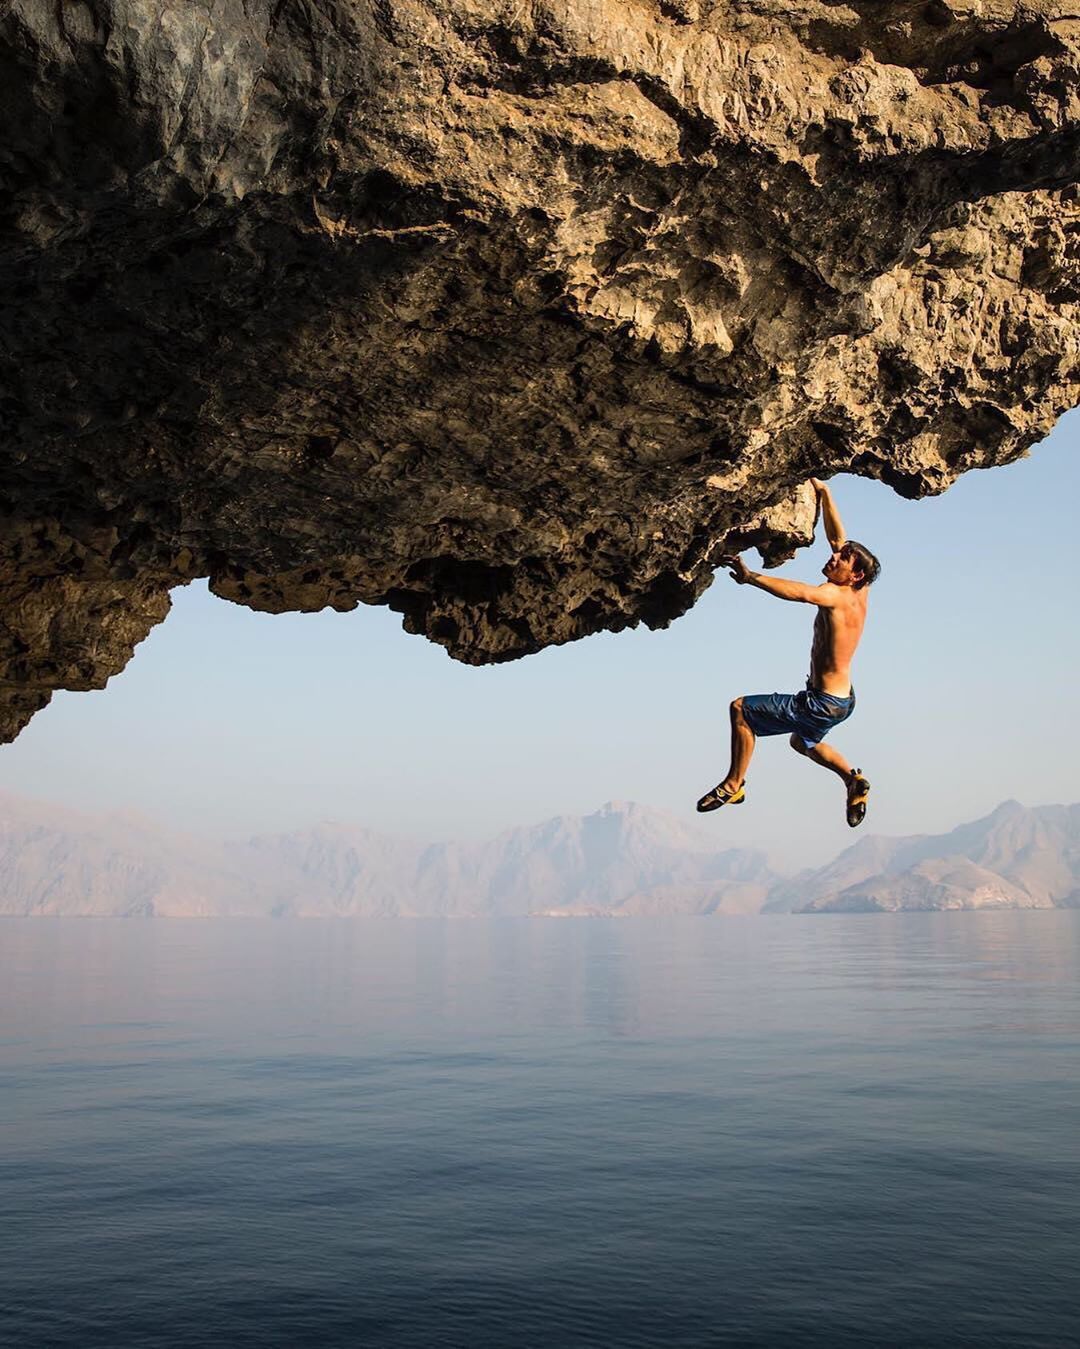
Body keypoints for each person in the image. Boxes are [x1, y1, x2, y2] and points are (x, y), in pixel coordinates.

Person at [696, 478, 881, 827]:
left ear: (855, 574)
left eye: (843, 559)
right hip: (840, 700)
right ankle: (852, 780)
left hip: (822, 701)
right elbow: (839, 538)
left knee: (741, 709)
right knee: (803, 741)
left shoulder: (835, 596)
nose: (835, 556)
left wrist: (752, 577)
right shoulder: (860, 591)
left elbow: (799, 593)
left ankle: (734, 785)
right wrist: (825, 494)